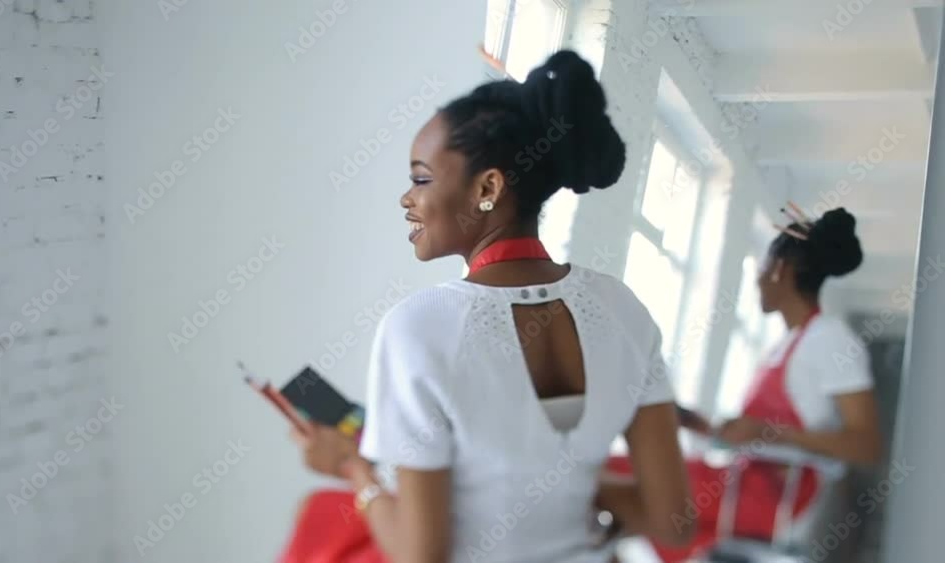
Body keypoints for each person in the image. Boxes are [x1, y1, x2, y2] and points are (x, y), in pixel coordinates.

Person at [279, 49, 694, 563]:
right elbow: (674, 523)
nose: (406, 198)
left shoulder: (417, 327)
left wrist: (352, 469)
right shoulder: (624, 309)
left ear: (488, 187)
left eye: (422, 178)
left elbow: (420, 556)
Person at [605, 205, 884, 562]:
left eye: (762, 268)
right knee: (627, 509)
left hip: (767, 496)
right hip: (745, 480)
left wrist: (768, 432)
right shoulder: (786, 344)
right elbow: (757, 434)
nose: (757, 280)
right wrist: (694, 422)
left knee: (606, 477)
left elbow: (866, 446)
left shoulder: (830, 338)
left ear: (779, 271)